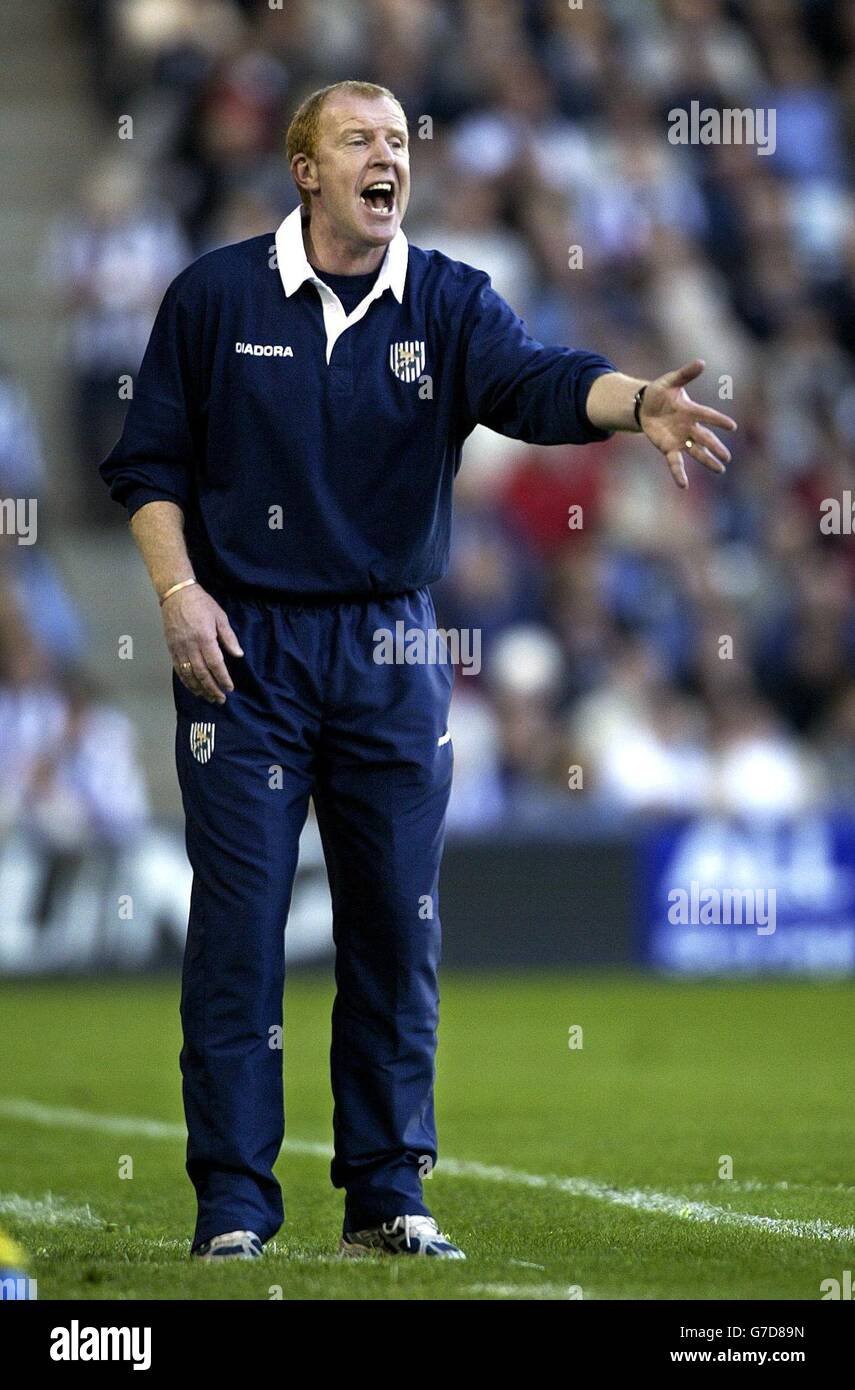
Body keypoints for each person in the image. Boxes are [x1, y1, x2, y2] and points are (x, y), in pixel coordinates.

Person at [99, 79, 736, 1261]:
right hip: (247, 648)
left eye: (398, 140)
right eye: (359, 139)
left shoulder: (446, 299)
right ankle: (234, 1208)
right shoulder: (214, 295)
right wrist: (178, 595)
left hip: (393, 644)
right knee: (237, 933)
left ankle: (388, 1196)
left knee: (397, 925)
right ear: (306, 168)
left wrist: (636, 399)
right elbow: (148, 469)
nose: (386, 156)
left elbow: (537, 383)